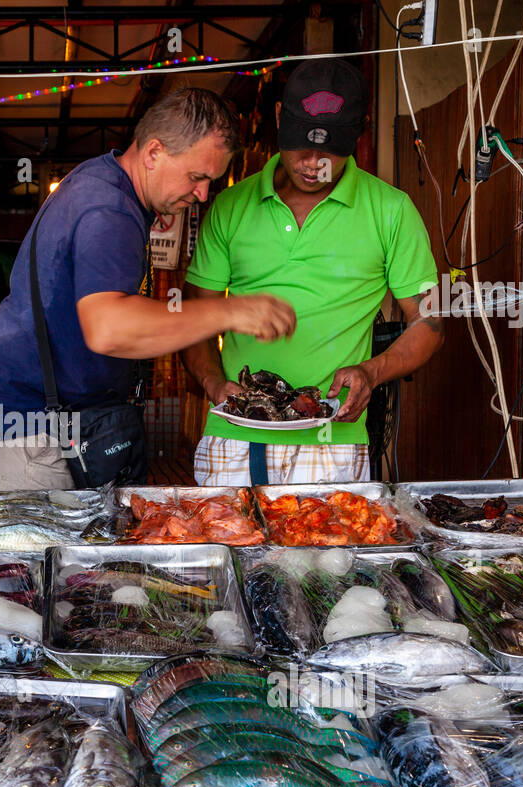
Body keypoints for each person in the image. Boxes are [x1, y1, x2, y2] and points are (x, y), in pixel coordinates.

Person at [0, 88, 298, 493]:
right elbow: (108, 329)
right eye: (197, 177)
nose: (202, 194)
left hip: (39, 424)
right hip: (24, 432)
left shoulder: (105, 182)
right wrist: (231, 313)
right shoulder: (109, 211)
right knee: (35, 556)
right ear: (153, 153)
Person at [181, 59, 442, 485]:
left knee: (327, 553)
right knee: (225, 550)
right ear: (280, 118)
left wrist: (372, 372)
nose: (313, 162)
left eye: (332, 148)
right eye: (301, 144)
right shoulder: (230, 206)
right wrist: (213, 383)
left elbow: (430, 320)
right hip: (233, 439)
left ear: (360, 131)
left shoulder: (391, 211)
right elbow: (194, 319)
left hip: (332, 443)